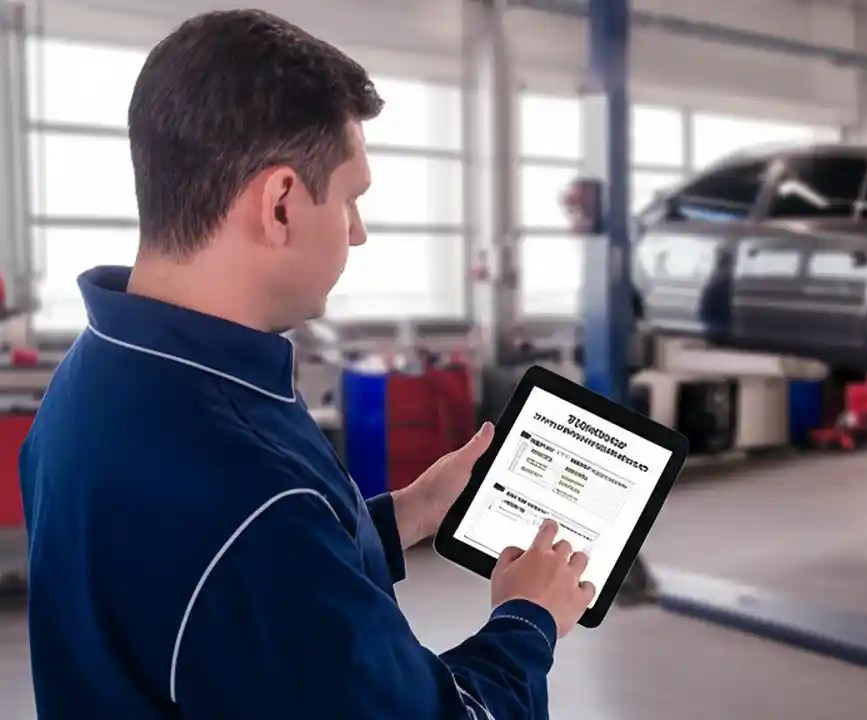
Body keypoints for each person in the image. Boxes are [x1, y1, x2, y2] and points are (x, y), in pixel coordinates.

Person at [19, 9, 595, 719]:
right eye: (351, 200)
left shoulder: (100, 372)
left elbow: (229, 597)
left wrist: (411, 512)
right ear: (282, 205)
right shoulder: (248, 486)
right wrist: (529, 618)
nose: (357, 232)